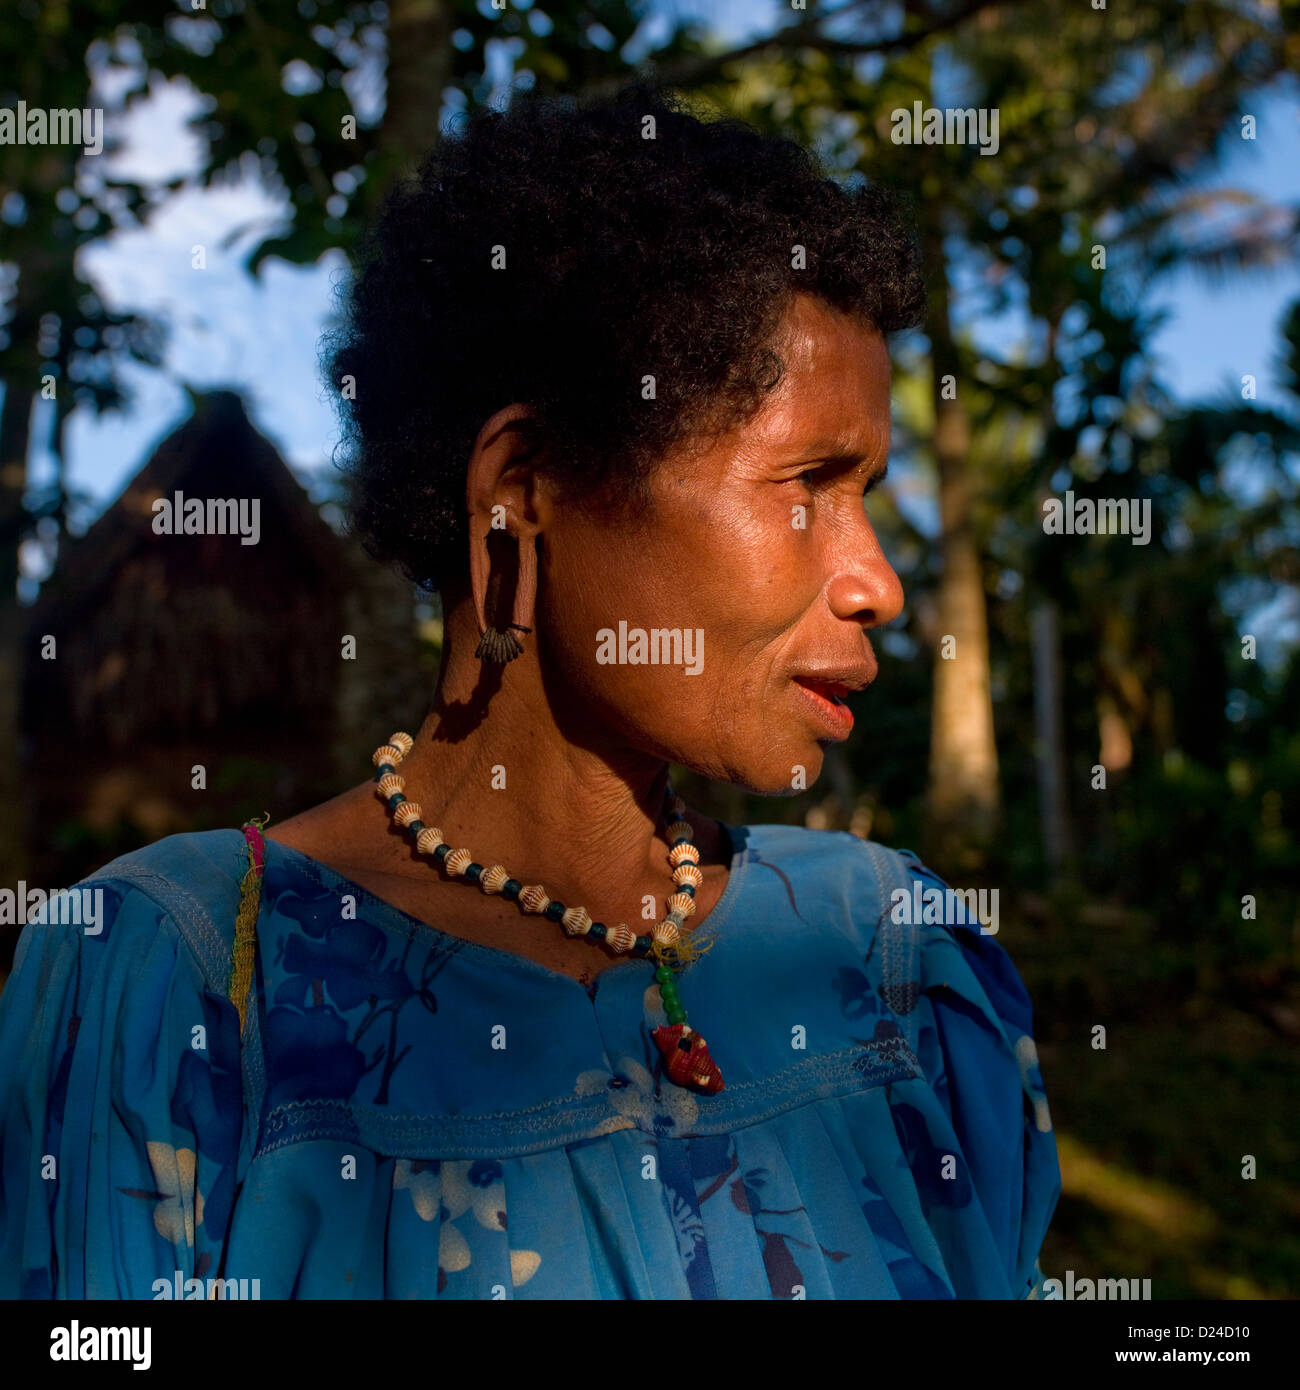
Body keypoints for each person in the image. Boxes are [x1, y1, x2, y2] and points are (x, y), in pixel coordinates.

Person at [0, 82, 1059, 1299]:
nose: (875, 580)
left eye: (867, 493)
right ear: (524, 487)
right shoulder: (185, 978)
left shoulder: (892, 961)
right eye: (806, 483)